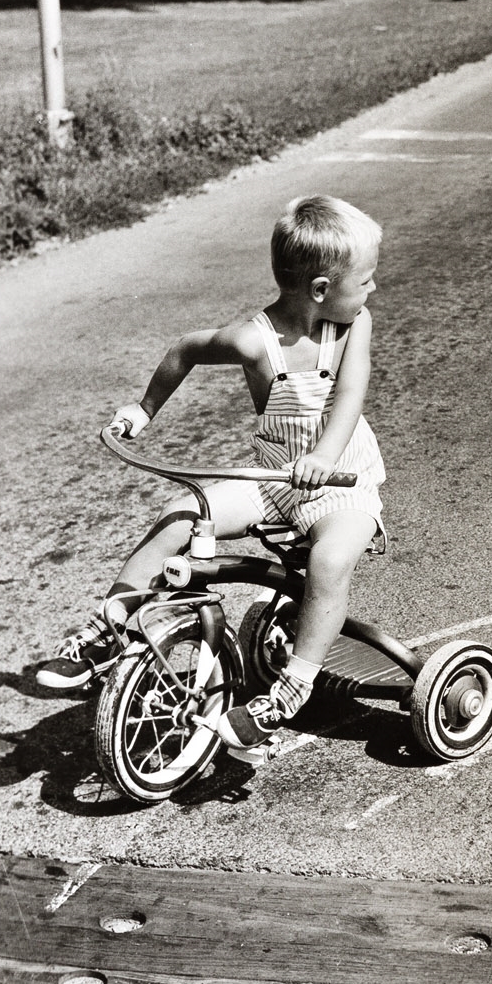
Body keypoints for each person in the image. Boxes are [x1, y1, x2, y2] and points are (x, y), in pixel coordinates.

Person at [36, 194, 387, 764]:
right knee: (180, 516)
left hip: (339, 482)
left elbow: (350, 395)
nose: (373, 289)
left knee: (329, 560)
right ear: (321, 289)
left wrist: (323, 456)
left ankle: (292, 687)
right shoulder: (254, 340)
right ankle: (109, 627)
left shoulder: (353, 327)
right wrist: (142, 411)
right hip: (272, 477)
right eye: (365, 280)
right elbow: (185, 350)